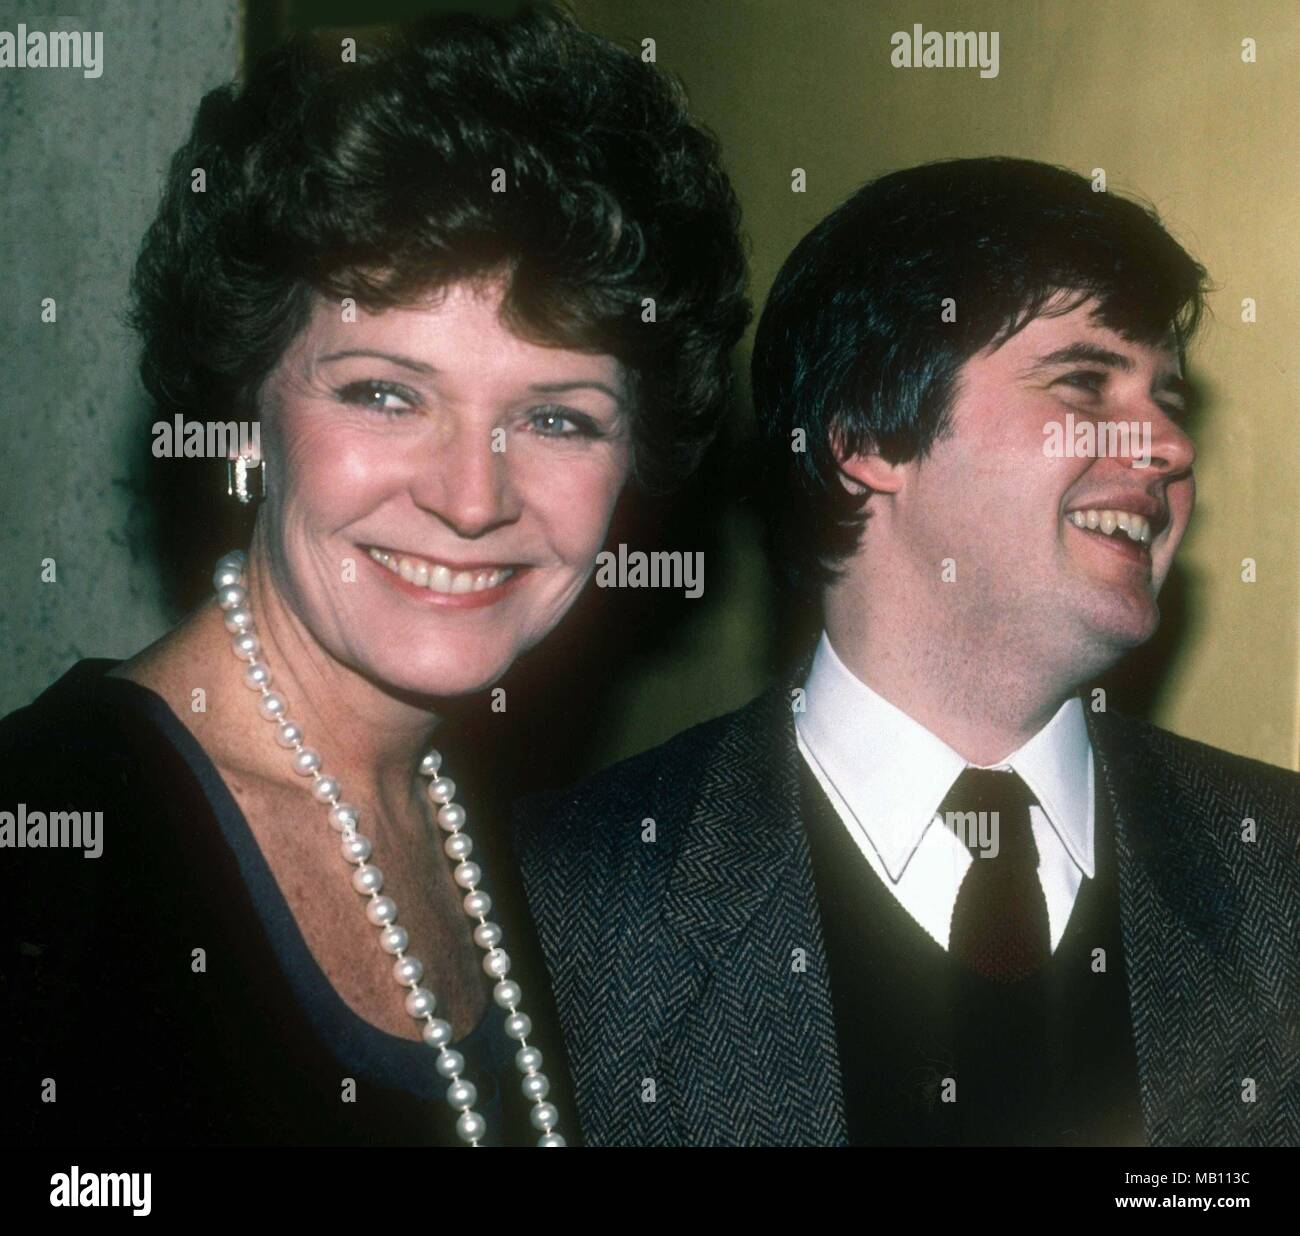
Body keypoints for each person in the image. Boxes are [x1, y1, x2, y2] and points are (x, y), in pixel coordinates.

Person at [0, 5, 749, 1147]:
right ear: (247, 413)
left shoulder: (528, 851)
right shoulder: (50, 857)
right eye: (385, 394)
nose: (471, 497)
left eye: (556, 417)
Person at [514, 157, 1300, 1147]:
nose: (1167, 447)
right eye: (1084, 383)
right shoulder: (564, 903)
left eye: (1169, 401)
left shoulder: (1280, 869)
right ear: (866, 438)